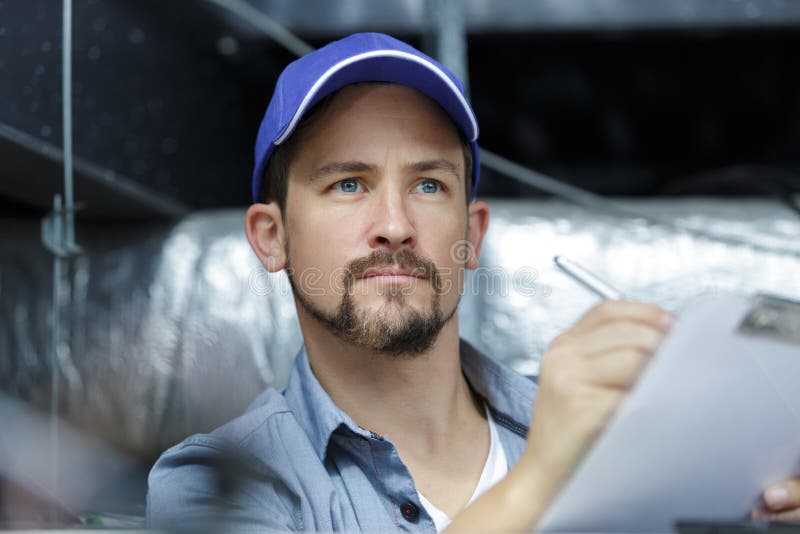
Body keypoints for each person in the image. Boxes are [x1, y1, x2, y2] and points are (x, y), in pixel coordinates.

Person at [146, 32, 800, 531]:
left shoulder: (618, 426)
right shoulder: (213, 482)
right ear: (272, 237)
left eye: (429, 184)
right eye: (349, 183)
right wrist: (542, 477)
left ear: (473, 235)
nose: (396, 225)